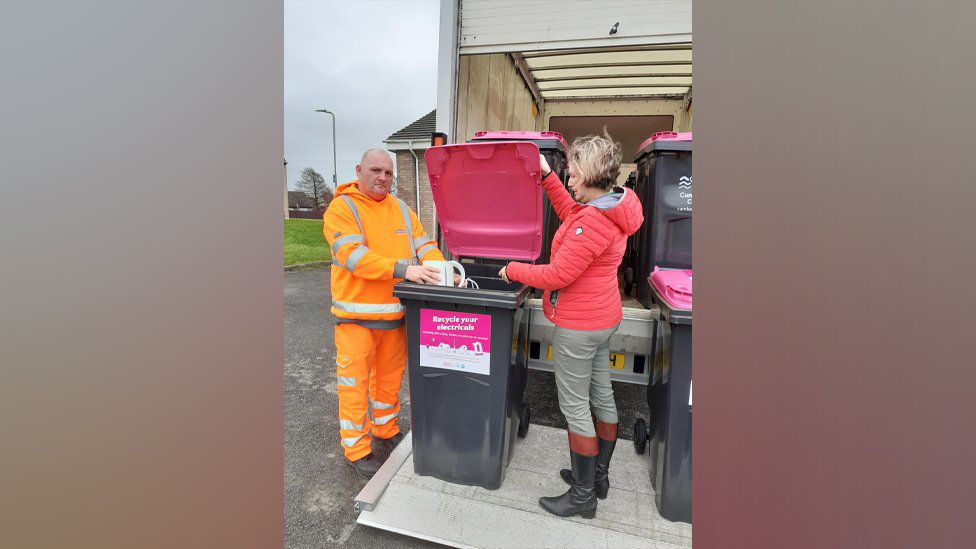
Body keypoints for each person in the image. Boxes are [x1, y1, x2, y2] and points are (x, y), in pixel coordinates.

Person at [499, 133, 643, 518]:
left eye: (574, 171)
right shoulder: (609, 207)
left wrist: (511, 269)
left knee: (575, 405)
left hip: (579, 326)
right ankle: (598, 476)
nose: (570, 178)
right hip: (603, 318)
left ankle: (582, 497)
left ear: (592, 173)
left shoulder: (592, 222)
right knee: (601, 394)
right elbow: (572, 213)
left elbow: (558, 274)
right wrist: (546, 175)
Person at [323, 148, 448, 478]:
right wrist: (403, 270)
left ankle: (385, 429)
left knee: (389, 382)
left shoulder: (402, 210)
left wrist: (446, 272)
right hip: (355, 320)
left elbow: (425, 247)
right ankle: (357, 449)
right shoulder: (343, 208)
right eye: (376, 170)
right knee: (355, 385)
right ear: (359, 170)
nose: (383, 178)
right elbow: (353, 256)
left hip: (394, 316)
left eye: (388, 173)